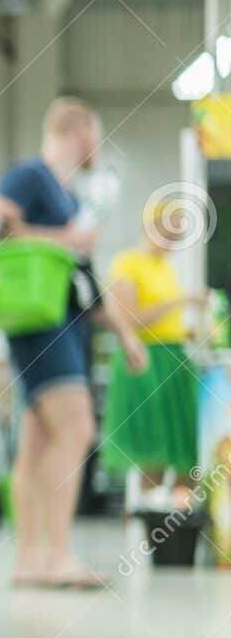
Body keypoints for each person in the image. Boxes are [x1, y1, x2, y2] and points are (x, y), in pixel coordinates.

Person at [0, 97, 147, 588]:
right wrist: (65, 236)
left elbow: (86, 285)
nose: (98, 145)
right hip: (40, 326)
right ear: (79, 132)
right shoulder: (30, 176)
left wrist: (125, 334)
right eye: (96, 134)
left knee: (37, 445)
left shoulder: (69, 197)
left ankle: (30, 561)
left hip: (64, 325)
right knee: (75, 431)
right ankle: (56, 558)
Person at [101, 204, 206, 511]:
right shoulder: (127, 264)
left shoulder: (166, 268)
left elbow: (166, 322)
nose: (172, 240)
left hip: (175, 360)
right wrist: (181, 300)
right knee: (153, 451)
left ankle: (178, 523)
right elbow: (128, 318)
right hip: (145, 362)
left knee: (182, 453)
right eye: (167, 231)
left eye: (178, 234)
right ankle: (150, 525)